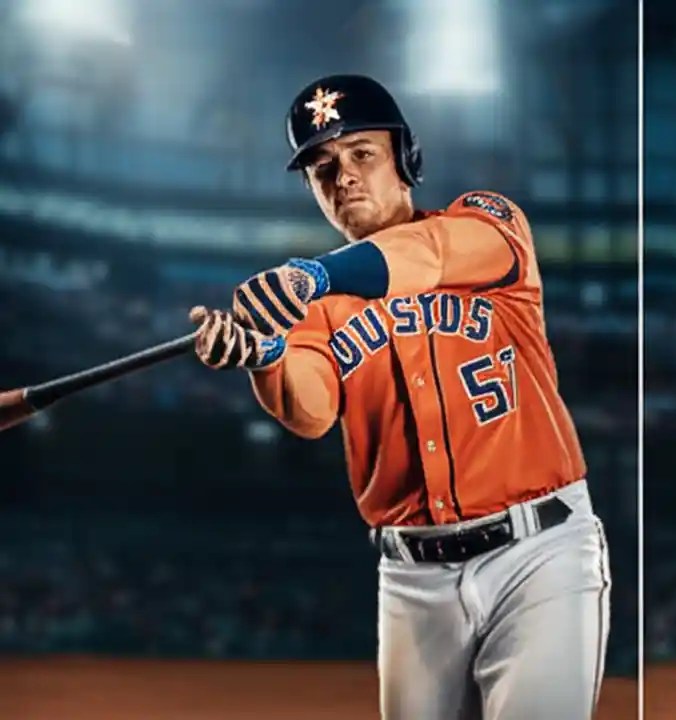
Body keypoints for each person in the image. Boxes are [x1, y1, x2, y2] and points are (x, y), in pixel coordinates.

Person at [190, 74, 611, 720]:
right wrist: (265, 355)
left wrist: (315, 272)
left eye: (362, 154)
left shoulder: (488, 223)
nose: (344, 177)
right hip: (412, 577)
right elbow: (312, 412)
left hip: (539, 552)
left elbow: (430, 255)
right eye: (322, 167)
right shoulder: (314, 309)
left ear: (406, 159)